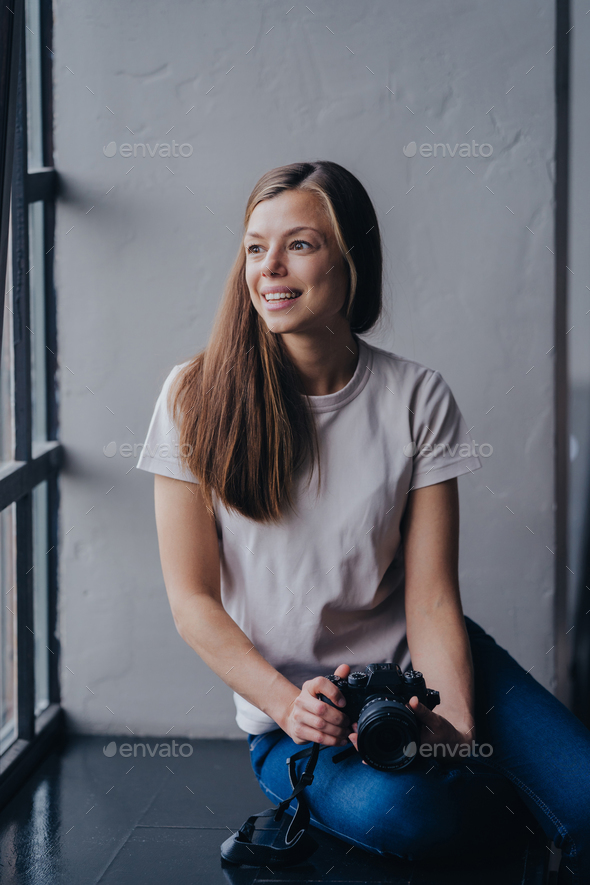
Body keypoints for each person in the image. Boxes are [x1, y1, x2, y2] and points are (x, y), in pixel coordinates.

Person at [136, 161, 590, 883]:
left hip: (424, 671)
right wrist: (290, 707)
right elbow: (192, 601)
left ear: (353, 258)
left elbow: (434, 595)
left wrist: (456, 730)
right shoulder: (193, 395)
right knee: (416, 818)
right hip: (295, 721)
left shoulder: (417, 396)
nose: (270, 269)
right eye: (256, 247)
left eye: (301, 245)